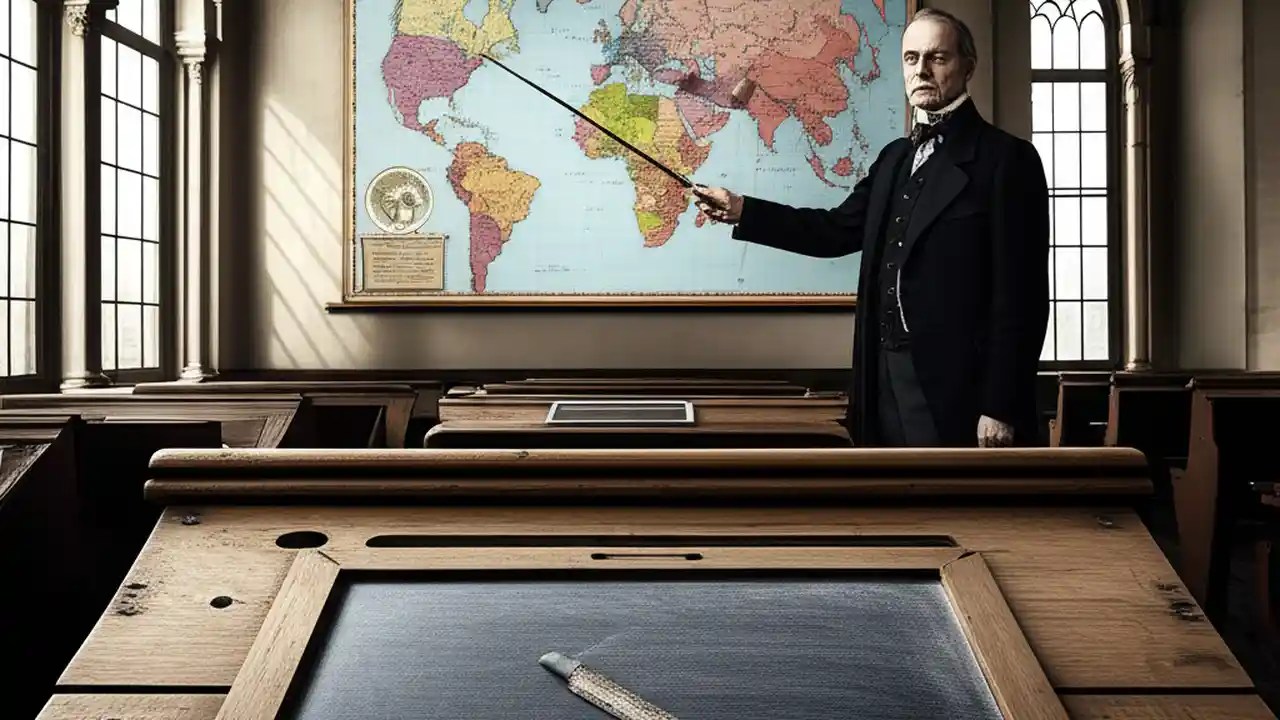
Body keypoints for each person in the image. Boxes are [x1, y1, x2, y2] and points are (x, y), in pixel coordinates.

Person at [693, 8, 1049, 448]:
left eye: (937, 58)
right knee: (891, 509)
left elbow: (1022, 299)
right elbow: (833, 231)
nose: (921, 70)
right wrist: (743, 210)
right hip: (880, 377)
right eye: (911, 58)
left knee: (955, 514)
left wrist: (1000, 405)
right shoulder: (894, 159)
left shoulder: (1007, 161)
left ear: (967, 67)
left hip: (961, 389)